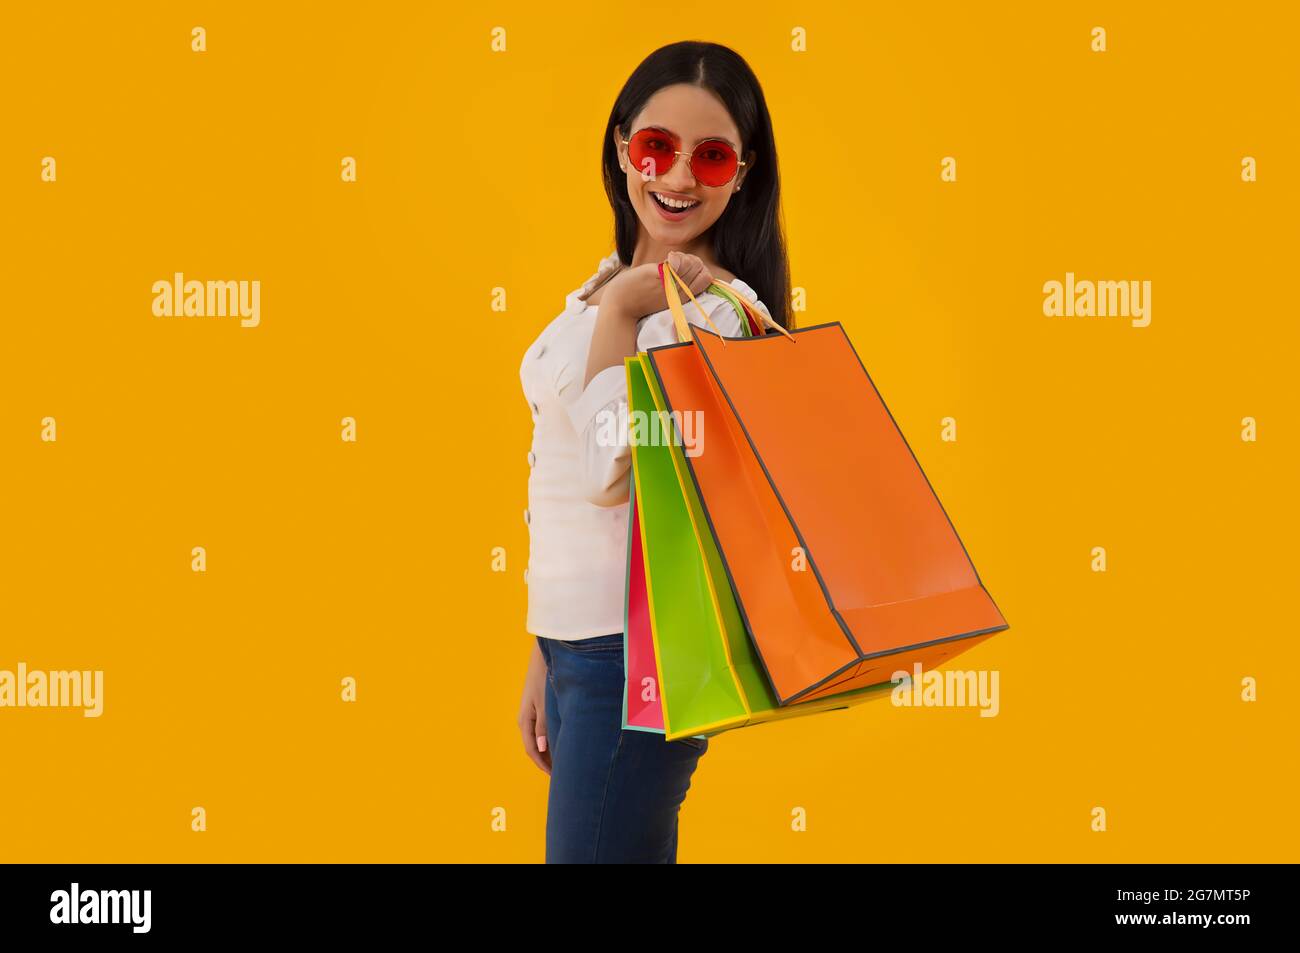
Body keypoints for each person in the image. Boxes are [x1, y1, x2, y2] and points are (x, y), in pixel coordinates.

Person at [517, 40, 792, 864]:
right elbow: (563, 483)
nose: (677, 178)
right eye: (656, 147)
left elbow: (611, 468)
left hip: (640, 660)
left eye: (710, 157)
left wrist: (622, 319)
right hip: (582, 652)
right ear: (621, 146)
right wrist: (544, 649)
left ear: (741, 175)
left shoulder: (713, 315)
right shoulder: (605, 286)